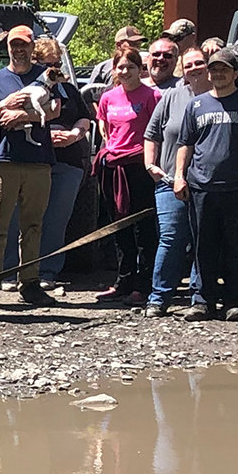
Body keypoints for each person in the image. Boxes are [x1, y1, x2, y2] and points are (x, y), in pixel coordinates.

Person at [172, 47, 238, 321]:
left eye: (224, 70)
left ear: (235, 74)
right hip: (202, 186)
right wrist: (180, 175)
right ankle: (202, 301)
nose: (218, 74)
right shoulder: (197, 104)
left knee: (235, 246)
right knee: (203, 246)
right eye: (214, 69)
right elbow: (185, 143)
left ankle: (233, 302)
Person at [0, 25, 55, 306]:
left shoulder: (46, 75)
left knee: (33, 225)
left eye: (24, 44)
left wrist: (23, 115)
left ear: (33, 46)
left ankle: (30, 282)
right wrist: (5, 106)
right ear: (7, 48)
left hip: (38, 161)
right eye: (14, 45)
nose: (19, 49)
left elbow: (56, 109)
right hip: (2, 161)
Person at [21, 35, 94, 292]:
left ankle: (48, 271)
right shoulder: (27, 89)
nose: (54, 69)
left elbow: (86, 118)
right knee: (26, 218)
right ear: (35, 62)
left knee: (56, 219)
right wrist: (46, 135)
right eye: (48, 63)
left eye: (57, 63)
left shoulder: (68, 89)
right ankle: (20, 270)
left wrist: (74, 135)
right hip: (33, 160)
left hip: (69, 161)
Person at [143, 45, 210, 316]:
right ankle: (158, 298)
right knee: (170, 239)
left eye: (199, 63)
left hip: (207, 183)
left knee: (202, 240)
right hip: (170, 181)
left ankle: (199, 299)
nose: (194, 68)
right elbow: (151, 134)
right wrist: (150, 165)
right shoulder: (171, 96)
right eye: (189, 64)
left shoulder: (219, 97)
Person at [93, 51, 162, 302]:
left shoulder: (152, 96)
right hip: (114, 168)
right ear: (114, 70)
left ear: (139, 69)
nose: (125, 72)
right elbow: (104, 125)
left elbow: (158, 132)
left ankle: (143, 286)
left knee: (143, 229)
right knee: (119, 227)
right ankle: (123, 281)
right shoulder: (108, 97)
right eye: (120, 67)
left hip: (140, 167)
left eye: (130, 67)